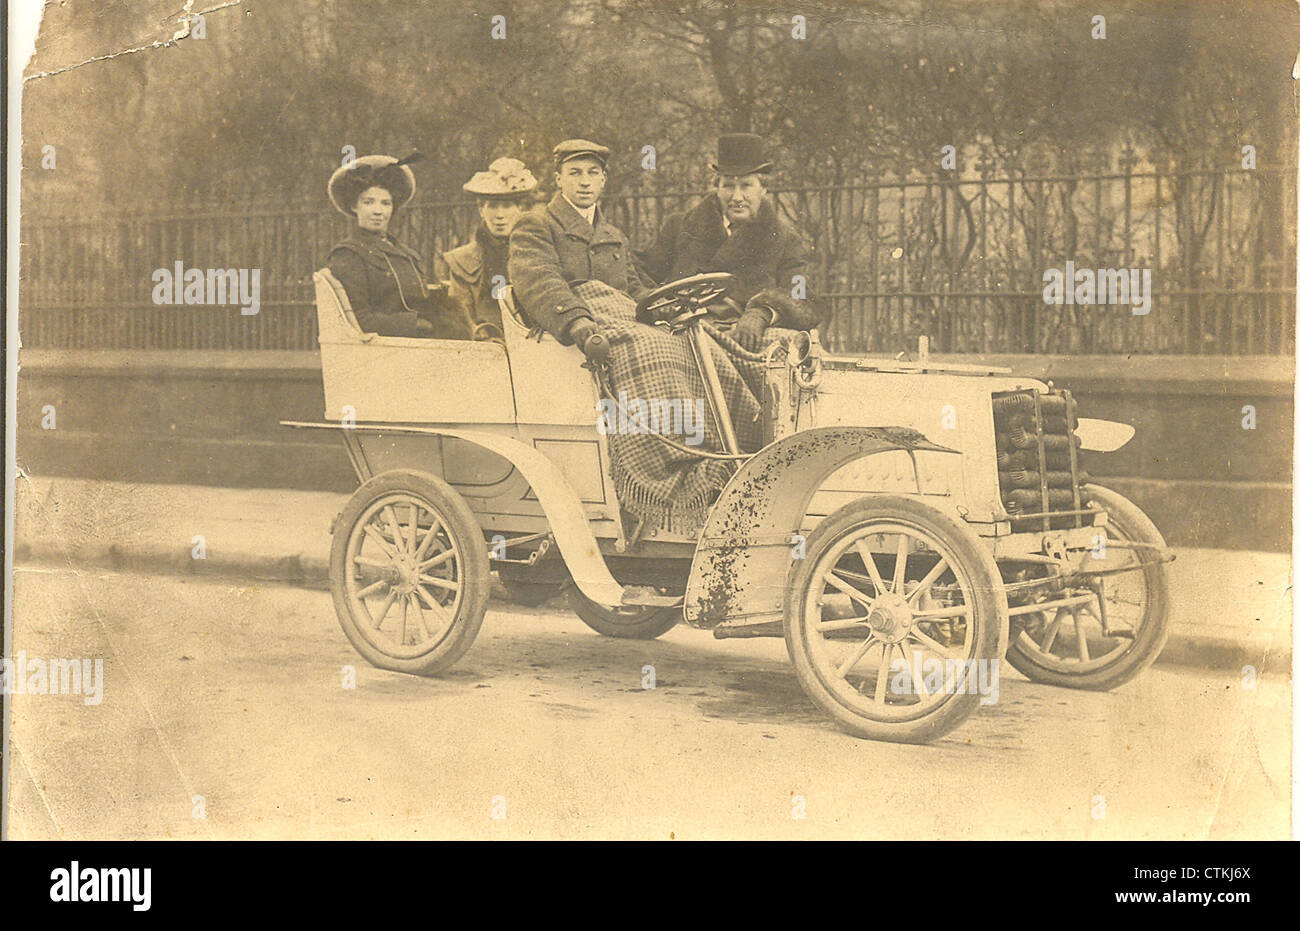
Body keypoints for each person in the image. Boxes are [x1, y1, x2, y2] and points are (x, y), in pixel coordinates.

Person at [636, 133, 822, 349]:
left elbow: (803, 298)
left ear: (763, 189)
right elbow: (641, 273)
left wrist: (762, 313)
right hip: (685, 334)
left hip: (749, 338)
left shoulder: (785, 239)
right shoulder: (680, 228)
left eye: (746, 186)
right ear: (717, 187)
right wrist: (657, 301)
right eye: (728, 186)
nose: (736, 197)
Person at [507, 139, 648, 359]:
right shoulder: (537, 224)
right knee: (652, 349)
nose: (585, 182)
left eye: (592, 173)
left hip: (621, 327)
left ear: (603, 180)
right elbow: (538, 280)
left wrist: (662, 304)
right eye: (574, 173)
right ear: (559, 180)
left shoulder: (614, 235)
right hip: (568, 339)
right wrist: (574, 318)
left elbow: (632, 288)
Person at [326, 154, 470, 339]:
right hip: (386, 348)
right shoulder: (349, 254)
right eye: (368, 202)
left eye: (385, 203)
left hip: (417, 342)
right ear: (355, 206)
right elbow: (358, 318)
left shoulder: (406, 254)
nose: (378, 210)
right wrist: (416, 324)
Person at [441, 157, 538, 341]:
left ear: (520, 208)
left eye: (507, 206)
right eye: (492, 206)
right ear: (481, 210)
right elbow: (461, 317)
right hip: (483, 347)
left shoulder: (535, 253)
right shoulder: (463, 261)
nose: (499, 215)